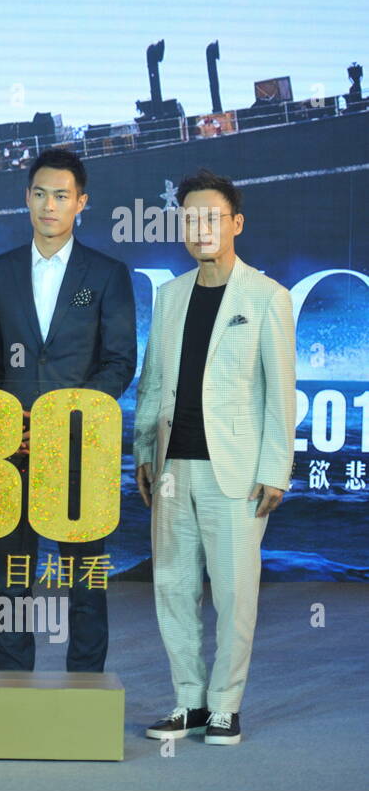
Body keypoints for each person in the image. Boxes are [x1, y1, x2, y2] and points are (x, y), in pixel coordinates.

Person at [135, 169, 295, 745]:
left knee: (234, 594)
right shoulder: (169, 295)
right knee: (173, 589)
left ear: (236, 224)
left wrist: (276, 467)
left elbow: (280, 391)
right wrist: (144, 453)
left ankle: (226, 705)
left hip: (236, 473)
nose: (200, 227)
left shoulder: (267, 296)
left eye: (212, 217)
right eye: (190, 218)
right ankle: (188, 702)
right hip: (173, 469)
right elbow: (153, 383)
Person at [0, 147, 136, 672]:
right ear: (27, 199)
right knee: (12, 575)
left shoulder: (108, 274)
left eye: (61, 196)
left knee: (85, 574)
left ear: (81, 203)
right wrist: (6, 420)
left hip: (78, 446)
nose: (49, 205)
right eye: (40, 194)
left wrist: (65, 417)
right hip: (12, 448)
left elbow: (118, 364)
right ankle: (11, 683)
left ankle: (85, 688)